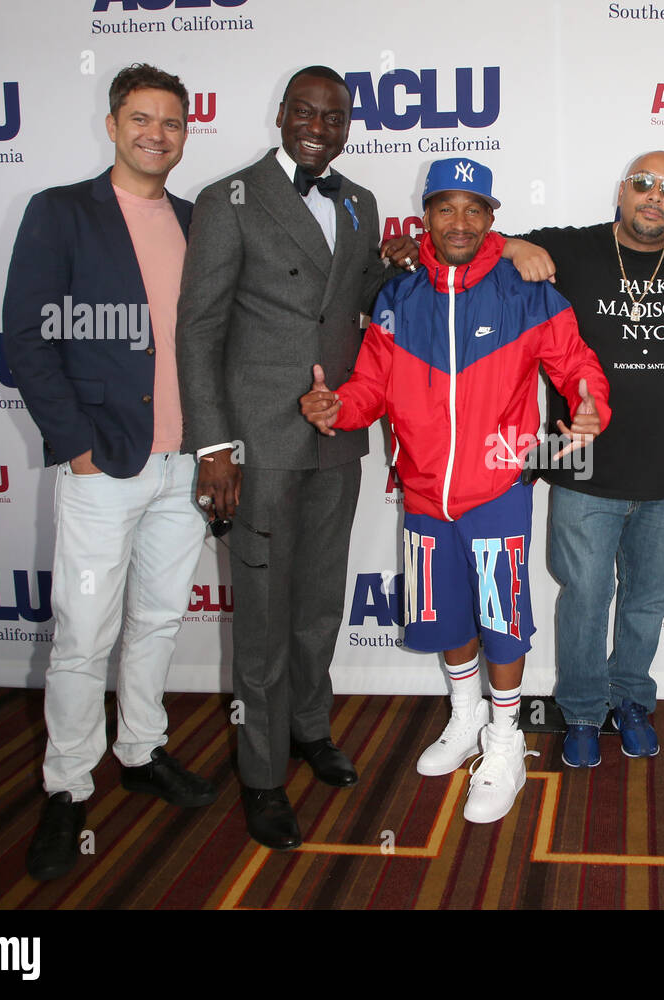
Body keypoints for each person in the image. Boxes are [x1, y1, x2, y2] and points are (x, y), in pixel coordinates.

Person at [299, 157, 612, 824]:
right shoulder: (399, 295)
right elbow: (371, 386)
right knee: (443, 618)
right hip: (422, 496)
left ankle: (504, 743)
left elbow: (577, 364)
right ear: (427, 216)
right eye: (447, 208)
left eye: (475, 209)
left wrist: (589, 404)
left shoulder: (524, 289)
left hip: (497, 488)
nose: (460, 221)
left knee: (501, 623)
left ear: (493, 217)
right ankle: (466, 717)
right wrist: (338, 408)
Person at [176, 66, 408, 851]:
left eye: (334, 115)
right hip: (259, 443)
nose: (319, 125)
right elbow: (200, 328)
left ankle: (310, 729)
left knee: (318, 605)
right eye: (305, 112)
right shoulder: (226, 199)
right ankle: (263, 772)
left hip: (337, 435)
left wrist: (394, 271)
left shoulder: (360, 201)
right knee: (265, 620)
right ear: (280, 115)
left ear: (348, 124)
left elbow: (347, 302)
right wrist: (214, 444)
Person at [3, 63, 214, 881]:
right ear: (112, 122)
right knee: (84, 635)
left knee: (159, 619)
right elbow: (27, 336)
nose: (155, 134)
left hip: (183, 463)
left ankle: (141, 749)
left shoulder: (199, 221)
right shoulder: (61, 212)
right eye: (140, 118)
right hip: (106, 462)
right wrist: (75, 444)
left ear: (185, 133)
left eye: (170, 122)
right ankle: (65, 787)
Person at [503, 151, 664, 766]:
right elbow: (478, 239)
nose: (655, 196)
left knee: (647, 602)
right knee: (586, 600)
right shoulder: (575, 250)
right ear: (621, 192)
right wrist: (515, 248)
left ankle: (632, 702)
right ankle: (584, 713)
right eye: (643, 183)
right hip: (585, 472)